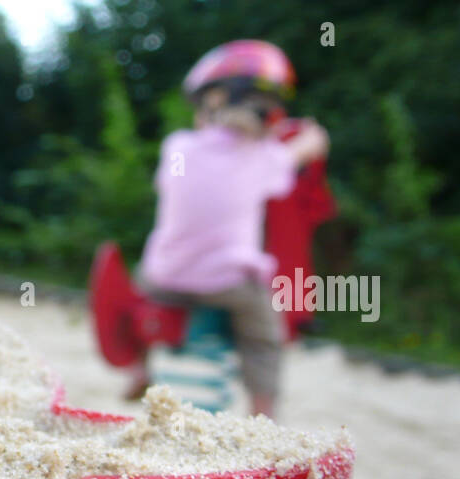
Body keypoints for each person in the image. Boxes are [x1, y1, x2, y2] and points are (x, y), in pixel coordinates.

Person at [133, 40, 329, 417]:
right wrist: (312, 141)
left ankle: (137, 367)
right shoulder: (263, 157)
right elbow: (297, 157)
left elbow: (169, 185)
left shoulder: (178, 147)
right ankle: (264, 415)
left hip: (165, 277)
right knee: (265, 339)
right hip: (228, 285)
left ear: (213, 102)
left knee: (137, 295)